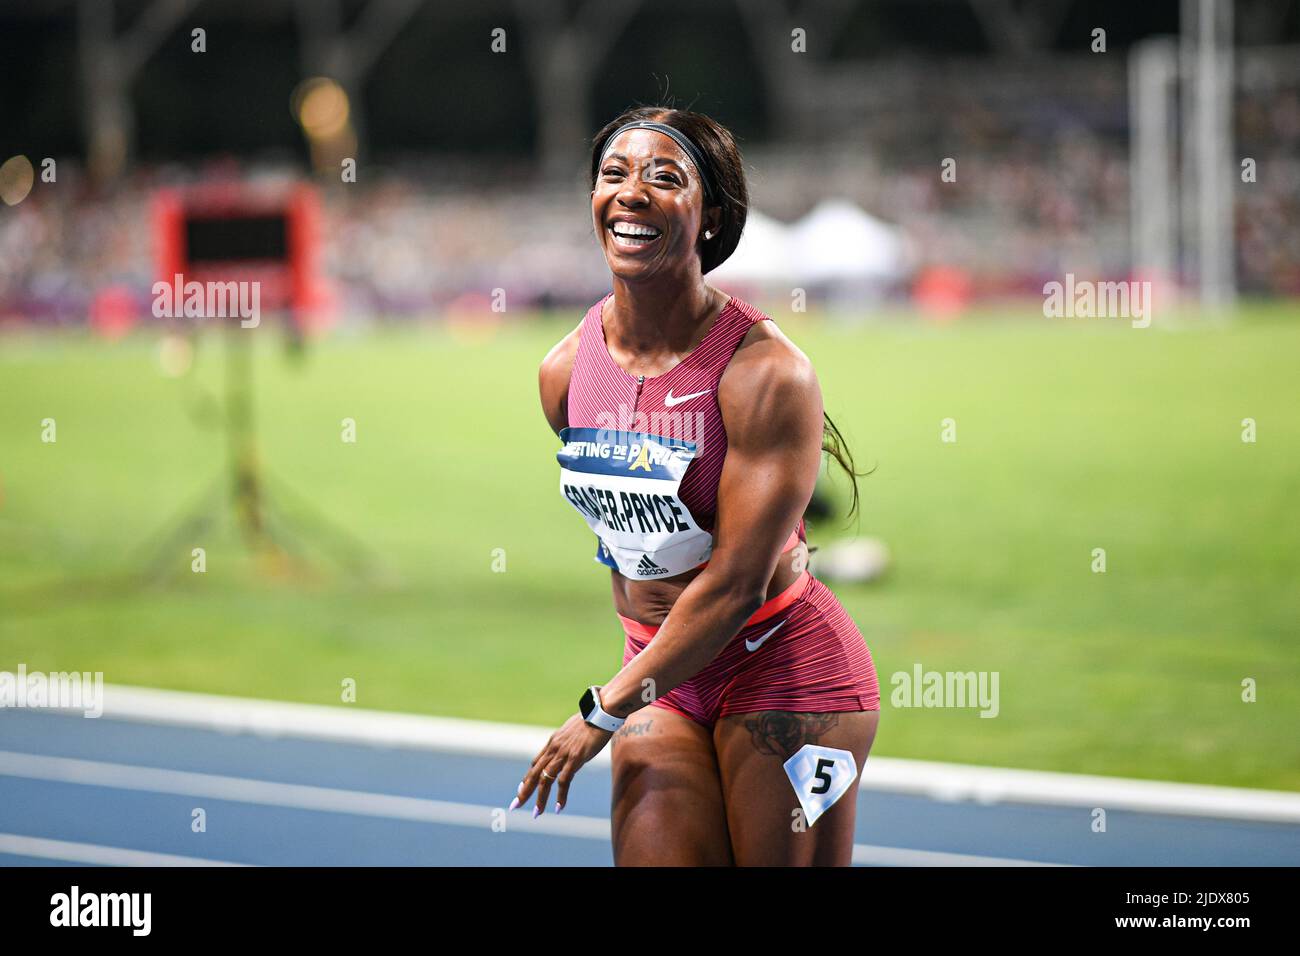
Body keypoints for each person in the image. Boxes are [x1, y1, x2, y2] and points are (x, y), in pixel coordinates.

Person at [518, 106, 880, 865]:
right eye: (613, 174)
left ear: (711, 215)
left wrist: (602, 710)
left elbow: (735, 584)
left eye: (664, 177)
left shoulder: (766, 374)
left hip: (783, 667)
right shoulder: (563, 371)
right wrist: (634, 687)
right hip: (661, 678)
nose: (631, 193)